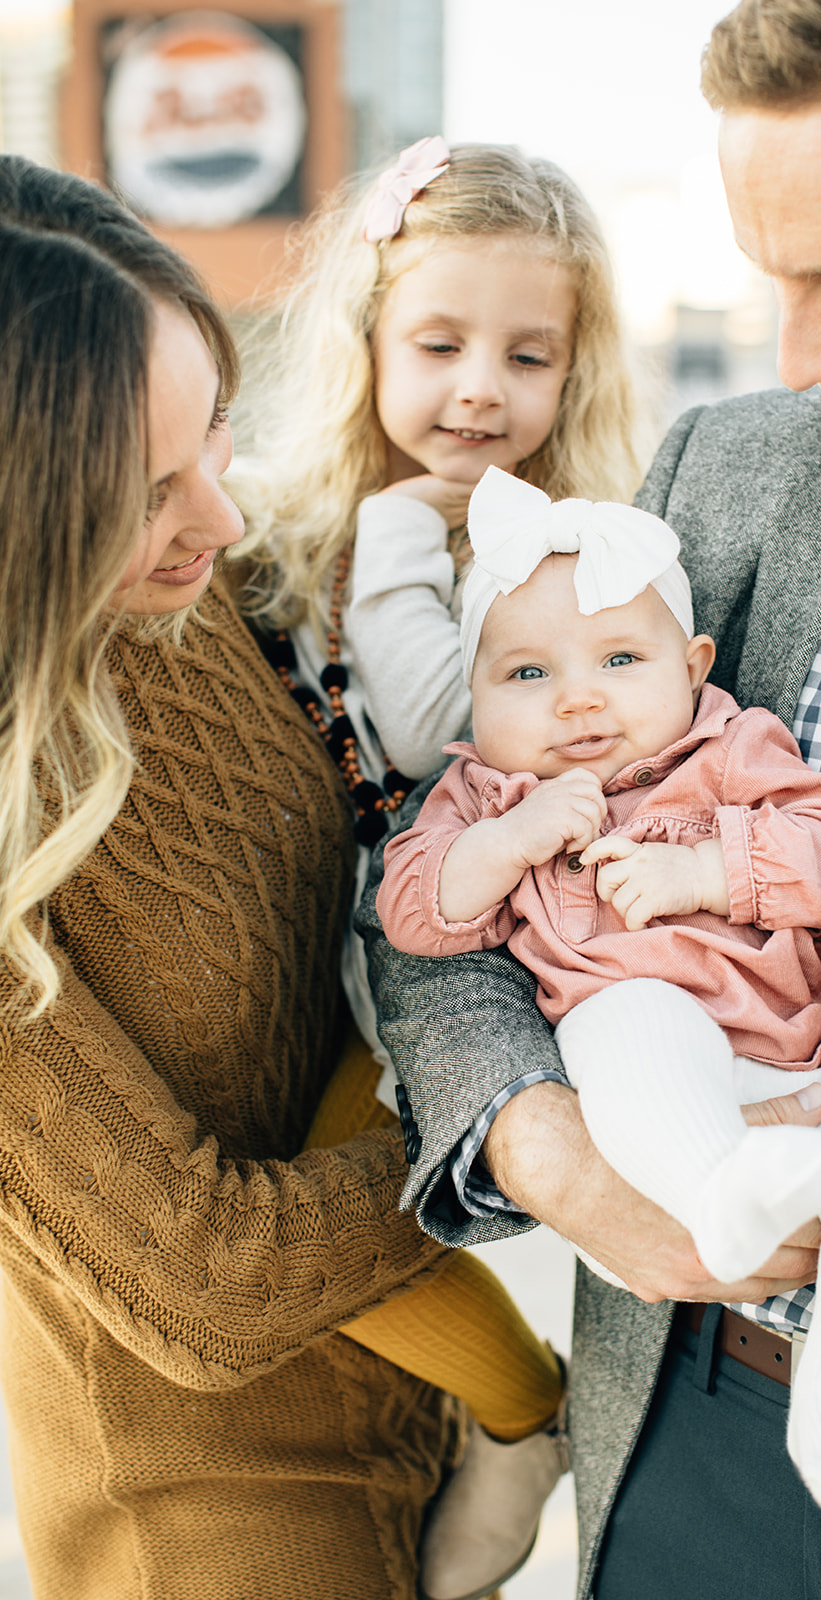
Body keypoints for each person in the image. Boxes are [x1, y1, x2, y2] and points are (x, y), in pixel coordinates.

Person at [357, 2, 821, 1596]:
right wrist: (543, 1148)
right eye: (775, 280)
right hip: (686, 1427)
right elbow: (449, 887)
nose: (803, 355)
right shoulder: (720, 476)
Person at [0, 153, 466, 1600]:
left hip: (415, 1447)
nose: (217, 513)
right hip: (212, 1537)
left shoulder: (201, 594)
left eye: (215, 434)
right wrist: (510, 1128)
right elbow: (211, 1284)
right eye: (146, 492)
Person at [377, 464, 821, 1519]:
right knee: (632, 1023)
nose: (576, 698)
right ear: (472, 699)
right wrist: (505, 841)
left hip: (803, 1053)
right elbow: (414, 913)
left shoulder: (734, 747)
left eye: (616, 658)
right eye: (524, 676)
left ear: (692, 667)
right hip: (635, 1042)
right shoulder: (484, 794)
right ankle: (719, 1198)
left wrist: (710, 871)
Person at [231, 137, 642, 1600]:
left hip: (466, 965)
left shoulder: (555, 557)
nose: (482, 388)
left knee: (315, 1208)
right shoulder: (276, 542)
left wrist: (406, 532)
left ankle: (524, 1414)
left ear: (573, 374)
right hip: (327, 956)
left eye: (528, 357)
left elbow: (420, 727)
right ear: (364, 344)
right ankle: (520, 1412)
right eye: (440, 342)